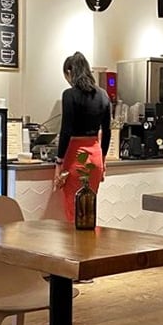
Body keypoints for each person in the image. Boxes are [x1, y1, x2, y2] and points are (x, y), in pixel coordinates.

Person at [53, 52, 111, 223]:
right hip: (95, 156)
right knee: (88, 209)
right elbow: (107, 131)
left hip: (75, 156)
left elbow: (66, 130)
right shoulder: (103, 95)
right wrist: (104, 158)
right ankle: (90, 246)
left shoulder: (69, 95)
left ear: (70, 72)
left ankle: (76, 248)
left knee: (74, 209)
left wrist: (58, 163)